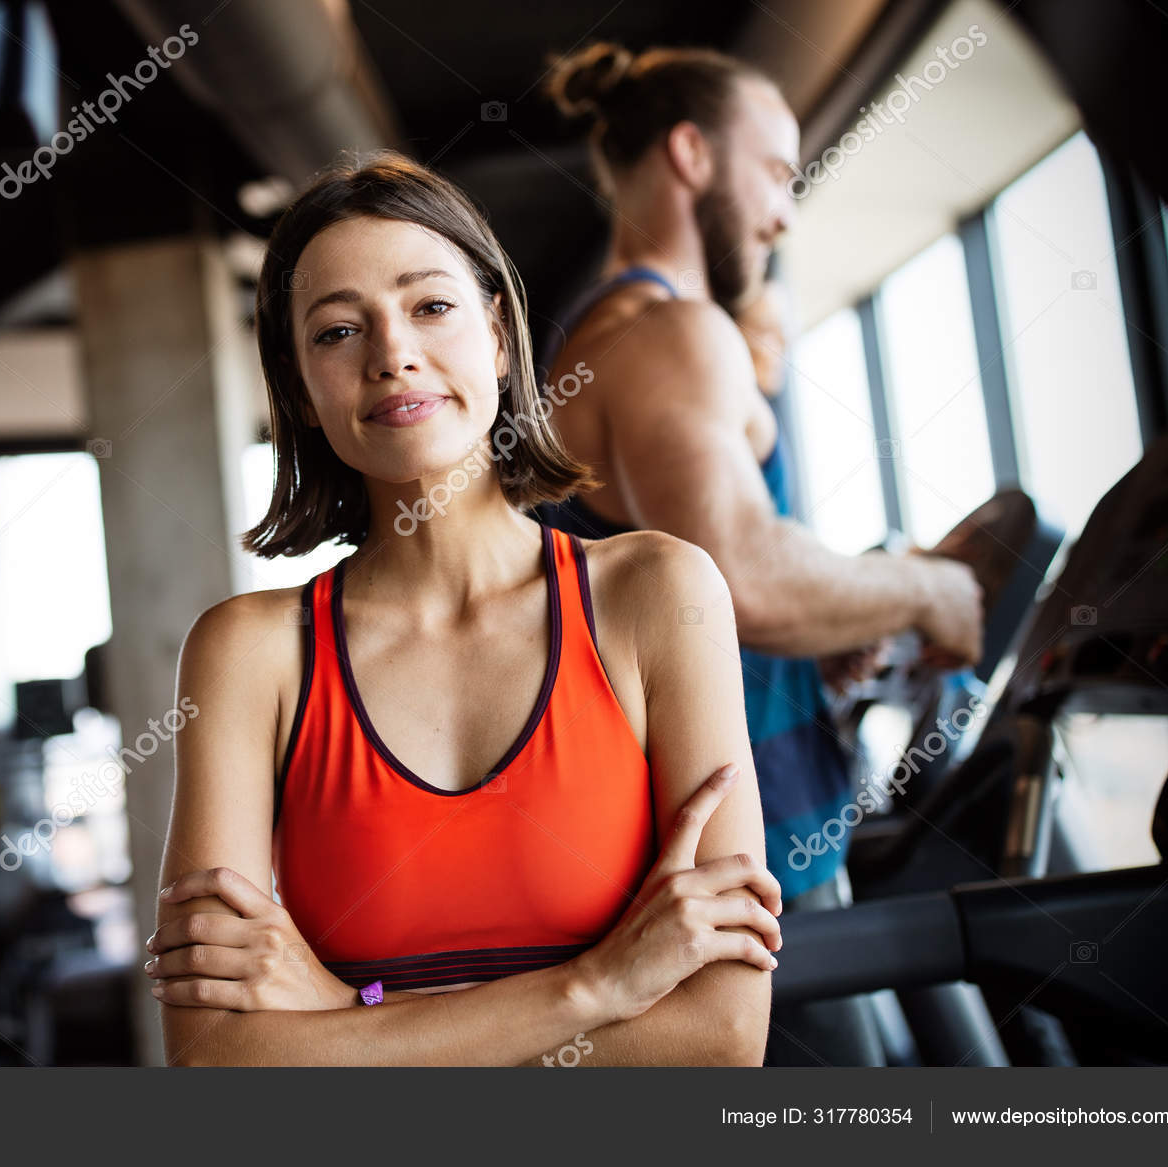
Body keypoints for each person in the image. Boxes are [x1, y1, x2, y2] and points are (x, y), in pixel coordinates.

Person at [147, 150, 784, 1066]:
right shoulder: (249, 654)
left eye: (431, 306)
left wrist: (336, 1014)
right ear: (299, 385)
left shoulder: (658, 596)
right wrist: (598, 985)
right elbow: (215, 1059)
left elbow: (719, 1039)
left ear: (496, 333)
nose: (392, 353)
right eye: (335, 332)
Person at [527, 43, 984, 1064]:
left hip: (744, 845)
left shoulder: (606, 336)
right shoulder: (668, 331)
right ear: (691, 154)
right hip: (743, 857)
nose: (785, 211)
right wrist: (927, 588)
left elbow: (697, 599)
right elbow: (739, 575)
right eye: (775, 172)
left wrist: (817, 636)